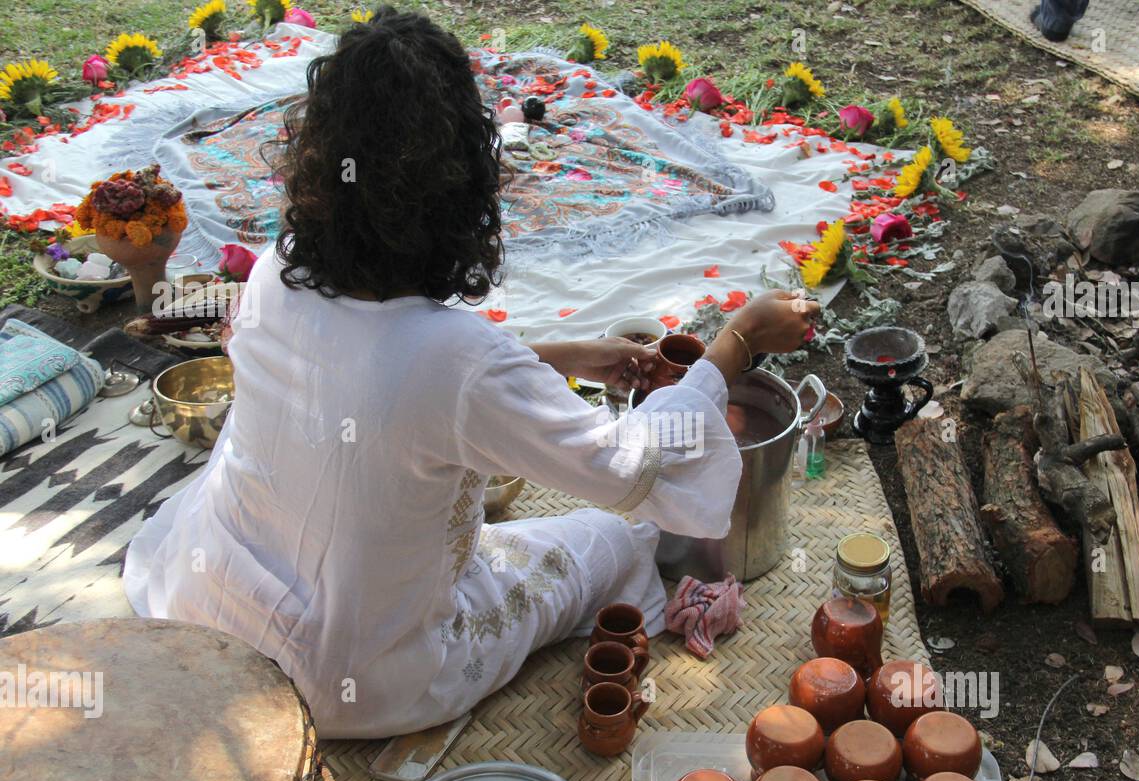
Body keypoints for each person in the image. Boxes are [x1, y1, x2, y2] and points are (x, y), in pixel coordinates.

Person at [123, 8, 818, 738]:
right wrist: (738, 341)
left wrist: (553, 356)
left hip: (214, 601)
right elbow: (630, 469)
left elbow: (384, 379)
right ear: (459, 178)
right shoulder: (457, 364)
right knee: (615, 540)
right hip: (353, 677)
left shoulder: (272, 277)